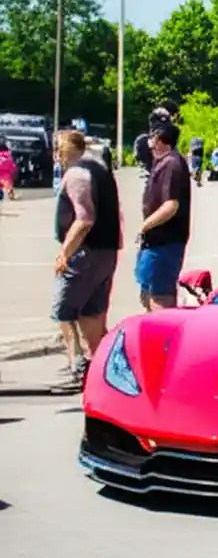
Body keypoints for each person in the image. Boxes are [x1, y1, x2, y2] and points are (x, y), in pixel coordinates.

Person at [51, 130, 122, 385]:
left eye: (60, 148)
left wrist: (64, 253)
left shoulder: (78, 174)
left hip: (86, 252)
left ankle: (76, 363)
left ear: (71, 149)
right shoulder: (100, 169)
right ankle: (103, 368)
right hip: (106, 249)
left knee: (64, 311)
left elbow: (84, 219)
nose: (57, 154)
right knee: (92, 313)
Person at [136, 121, 192, 312]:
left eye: (152, 137)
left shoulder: (172, 164)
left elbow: (171, 205)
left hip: (165, 242)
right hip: (155, 242)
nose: (149, 142)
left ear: (159, 141)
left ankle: (161, 338)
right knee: (148, 292)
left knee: (161, 297)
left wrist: (146, 225)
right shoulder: (163, 162)